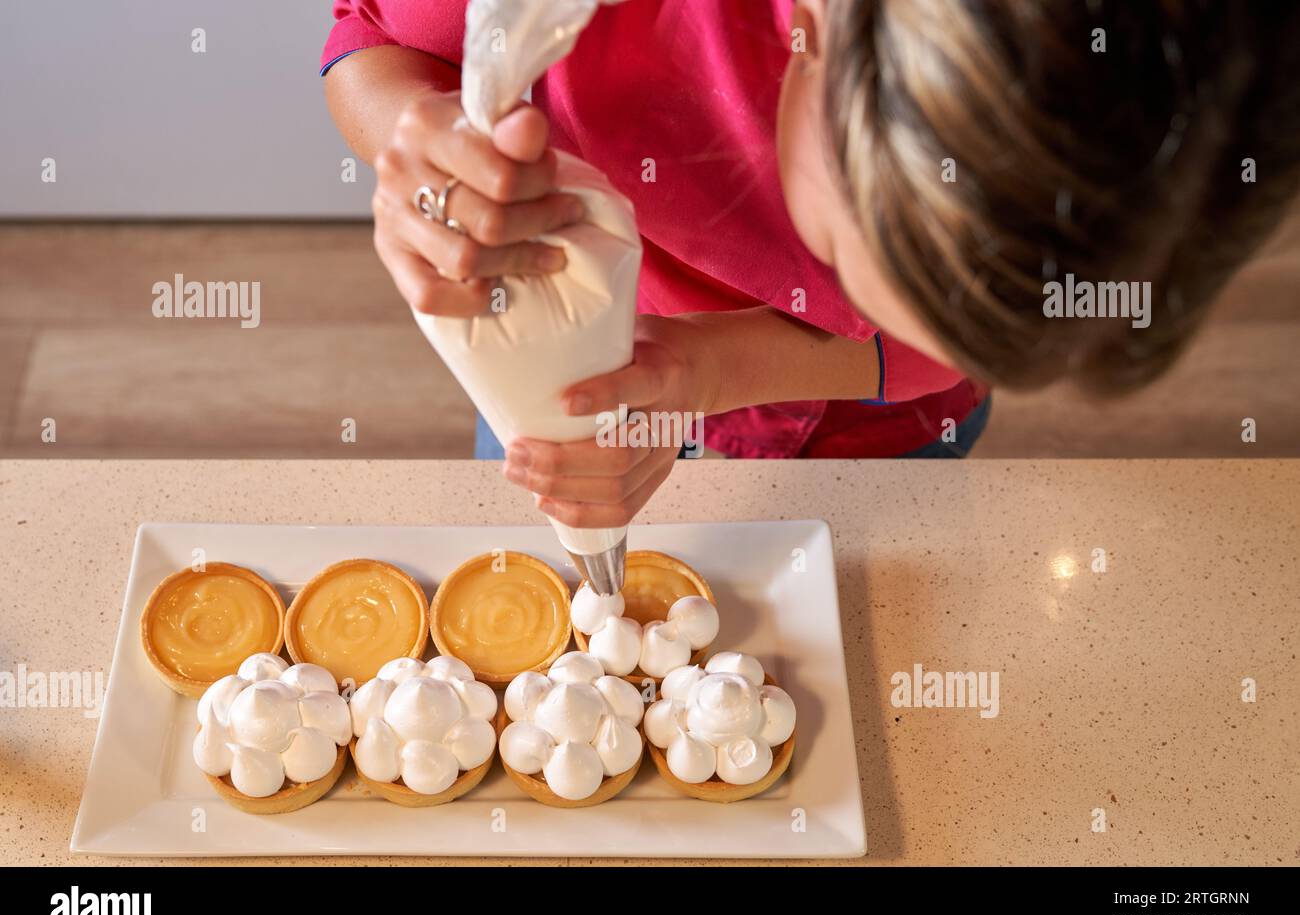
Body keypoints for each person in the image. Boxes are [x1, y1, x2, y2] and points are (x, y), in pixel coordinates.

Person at [324, 0, 1299, 529]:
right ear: (820, 32)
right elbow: (365, 42)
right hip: (573, 368)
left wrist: (706, 372)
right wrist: (420, 142)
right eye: (841, 261)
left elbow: (944, 352)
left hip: (891, 427)